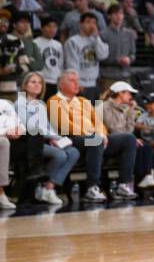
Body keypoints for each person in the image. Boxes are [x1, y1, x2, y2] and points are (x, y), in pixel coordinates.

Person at [48, 70, 139, 202]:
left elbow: (97, 122)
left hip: (94, 139)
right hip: (73, 139)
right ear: (61, 85)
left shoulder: (83, 100)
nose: (76, 83)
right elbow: (65, 126)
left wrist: (102, 133)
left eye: (77, 80)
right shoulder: (54, 101)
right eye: (72, 80)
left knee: (129, 139)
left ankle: (123, 185)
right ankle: (92, 188)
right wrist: (94, 135)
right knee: (95, 140)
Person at [14, 70, 77, 205]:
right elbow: (29, 127)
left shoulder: (40, 105)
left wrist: (58, 138)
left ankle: (48, 187)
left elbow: (48, 127)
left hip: (44, 140)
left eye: (40, 83)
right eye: (33, 82)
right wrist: (51, 138)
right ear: (25, 85)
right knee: (60, 155)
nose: (37, 85)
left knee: (73, 152)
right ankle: (39, 186)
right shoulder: (20, 103)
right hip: (28, 144)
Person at [101, 81, 154, 193]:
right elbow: (113, 128)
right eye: (129, 94)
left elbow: (129, 129)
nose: (131, 97)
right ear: (120, 93)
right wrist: (131, 137)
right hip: (108, 141)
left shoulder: (125, 108)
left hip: (125, 141)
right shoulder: (105, 107)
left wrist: (131, 112)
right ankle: (133, 183)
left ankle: (146, 178)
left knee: (146, 147)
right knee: (134, 143)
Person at [63, 12, 110, 99]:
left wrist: (97, 37)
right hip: (80, 84)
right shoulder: (72, 41)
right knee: (81, 111)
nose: (91, 25)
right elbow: (72, 64)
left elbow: (103, 56)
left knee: (96, 110)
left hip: (95, 83)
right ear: (81, 24)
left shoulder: (95, 40)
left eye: (94, 23)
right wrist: (77, 82)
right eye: (88, 22)